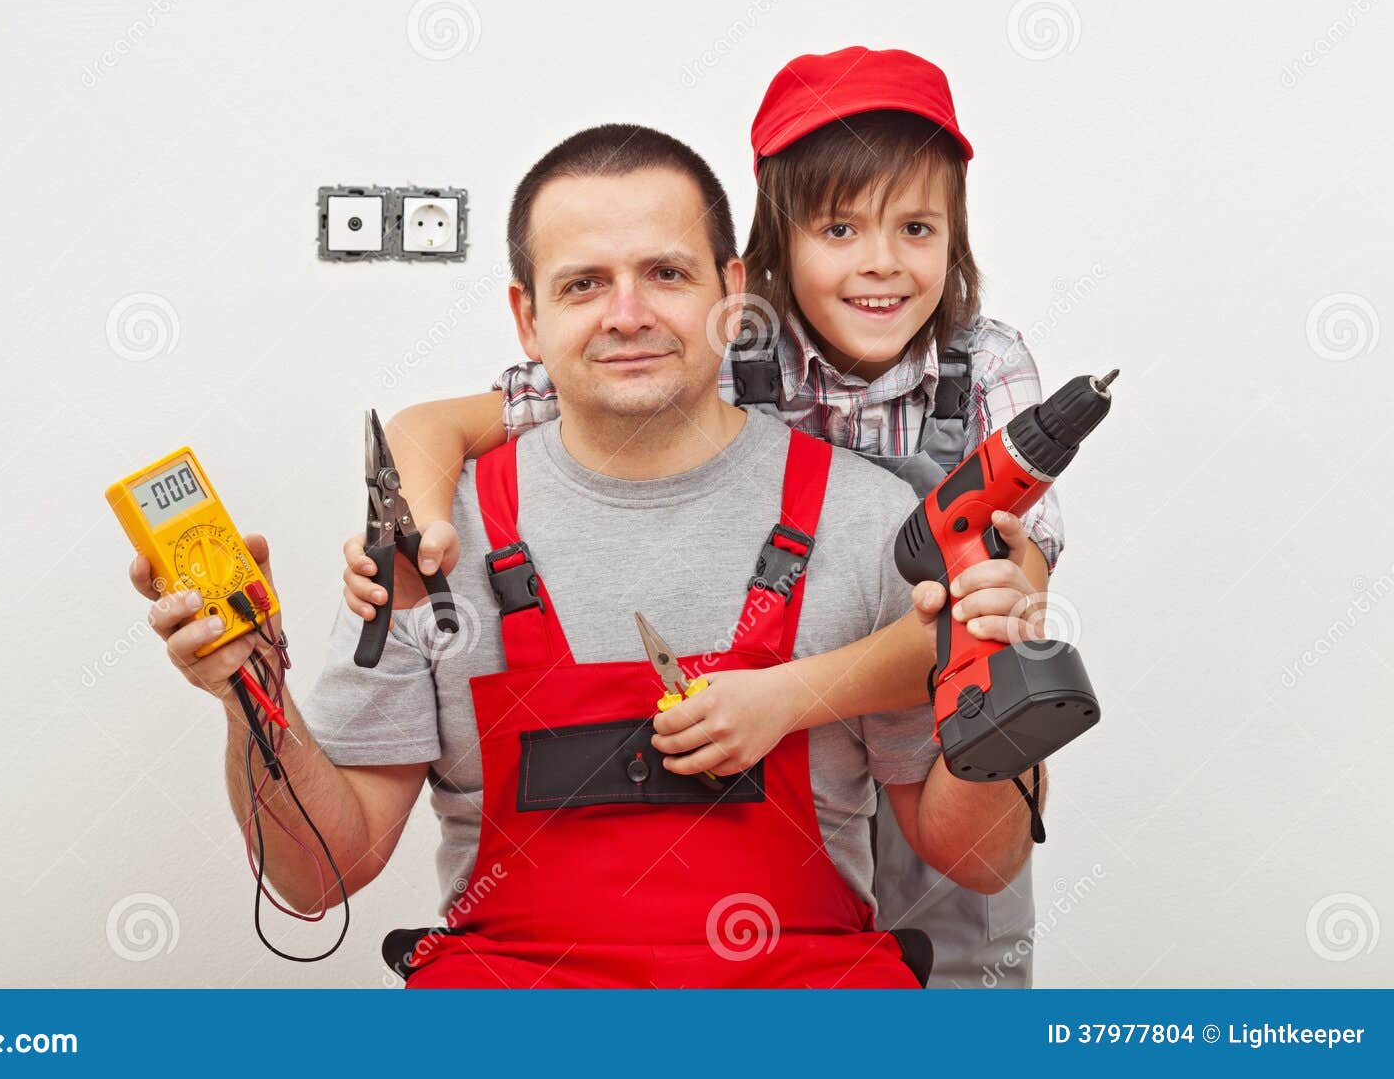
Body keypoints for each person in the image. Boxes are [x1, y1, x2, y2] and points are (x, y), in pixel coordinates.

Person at [134, 123, 1046, 987]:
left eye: (666, 273)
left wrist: (1001, 677)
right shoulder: (430, 541)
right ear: (525, 319)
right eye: (583, 285)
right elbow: (319, 876)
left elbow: (978, 855)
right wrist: (254, 691)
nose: (628, 313)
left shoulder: (871, 523)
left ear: (733, 298)